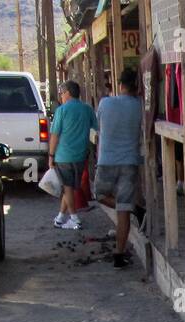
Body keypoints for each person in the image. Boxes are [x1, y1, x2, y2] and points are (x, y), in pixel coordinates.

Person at [95, 68, 144, 267]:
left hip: (106, 160)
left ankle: (135, 209)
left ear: (120, 84)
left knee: (99, 195)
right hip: (130, 162)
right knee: (123, 208)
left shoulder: (105, 103)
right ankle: (119, 254)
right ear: (137, 87)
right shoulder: (139, 106)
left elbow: (100, 126)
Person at [48, 80, 97, 230]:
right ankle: (60, 218)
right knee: (69, 187)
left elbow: (55, 135)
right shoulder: (87, 109)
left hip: (64, 155)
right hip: (81, 155)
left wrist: (51, 155)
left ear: (68, 93)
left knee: (67, 187)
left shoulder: (61, 111)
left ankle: (75, 218)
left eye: (62, 93)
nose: (61, 96)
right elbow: (95, 128)